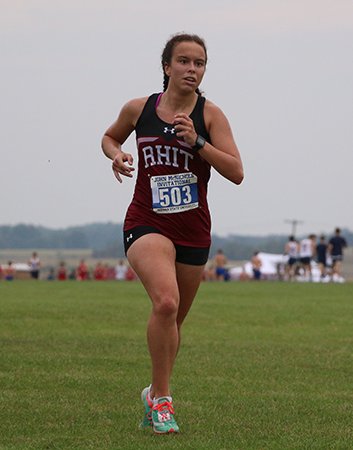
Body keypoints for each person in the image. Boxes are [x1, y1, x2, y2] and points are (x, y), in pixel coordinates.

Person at [101, 33, 243, 434]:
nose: (191, 69)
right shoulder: (139, 109)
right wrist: (118, 155)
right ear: (167, 66)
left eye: (199, 63)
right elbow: (109, 137)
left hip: (193, 229)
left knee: (174, 323)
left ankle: (153, 391)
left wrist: (198, 142)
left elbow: (236, 172)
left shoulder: (210, 116)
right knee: (165, 303)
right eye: (184, 61)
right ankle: (162, 401)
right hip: (147, 220)